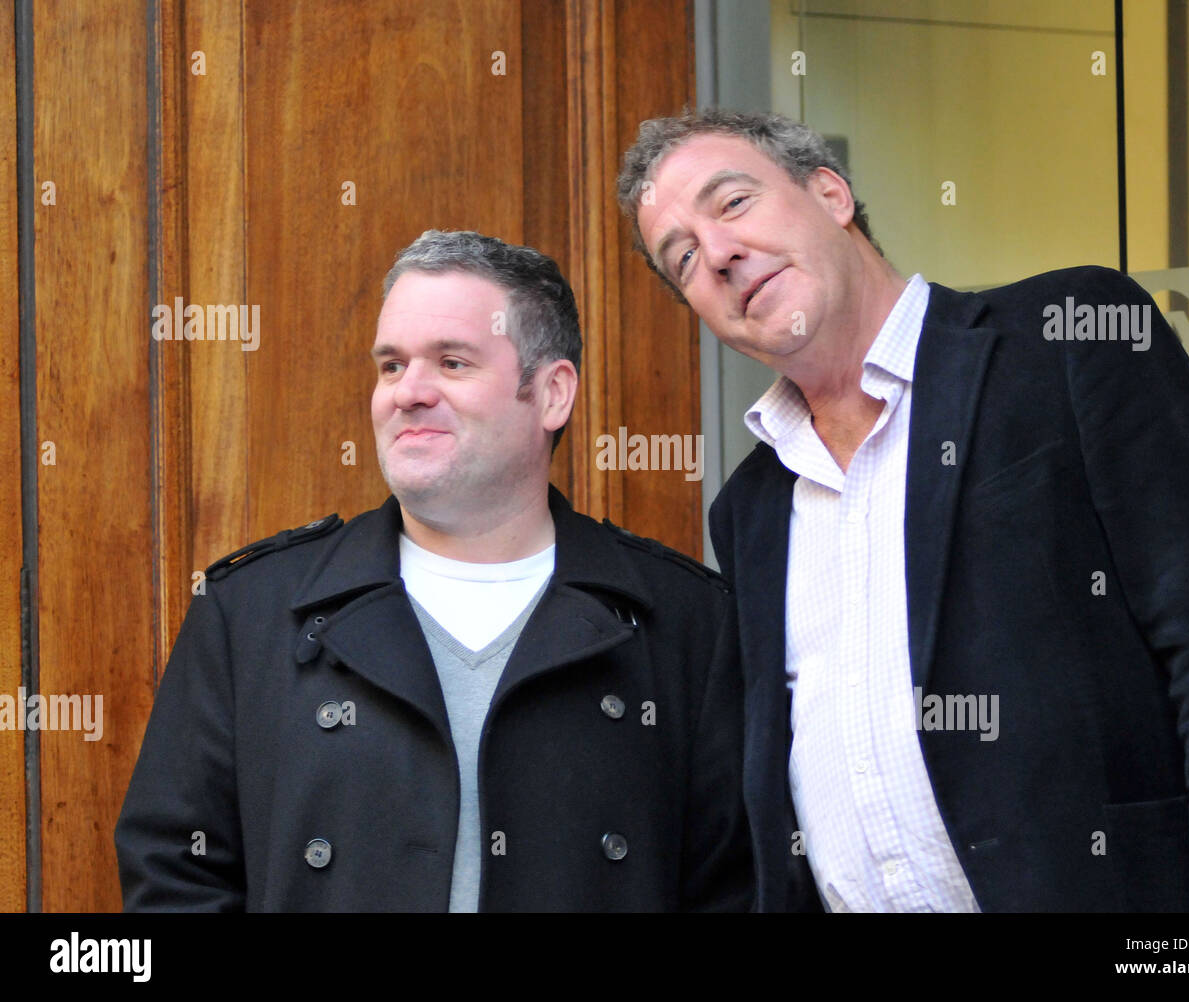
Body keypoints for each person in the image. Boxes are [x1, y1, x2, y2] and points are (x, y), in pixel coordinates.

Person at [617, 108, 1189, 912]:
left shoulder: (1070, 338)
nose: (721, 255)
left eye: (732, 204)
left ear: (830, 193)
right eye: (684, 258)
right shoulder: (750, 509)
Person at [115, 230, 751, 912]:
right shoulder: (252, 612)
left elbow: (737, 891)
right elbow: (175, 878)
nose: (407, 393)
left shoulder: (686, 624)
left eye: (451, 363)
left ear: (552, 393)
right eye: (391, 366)